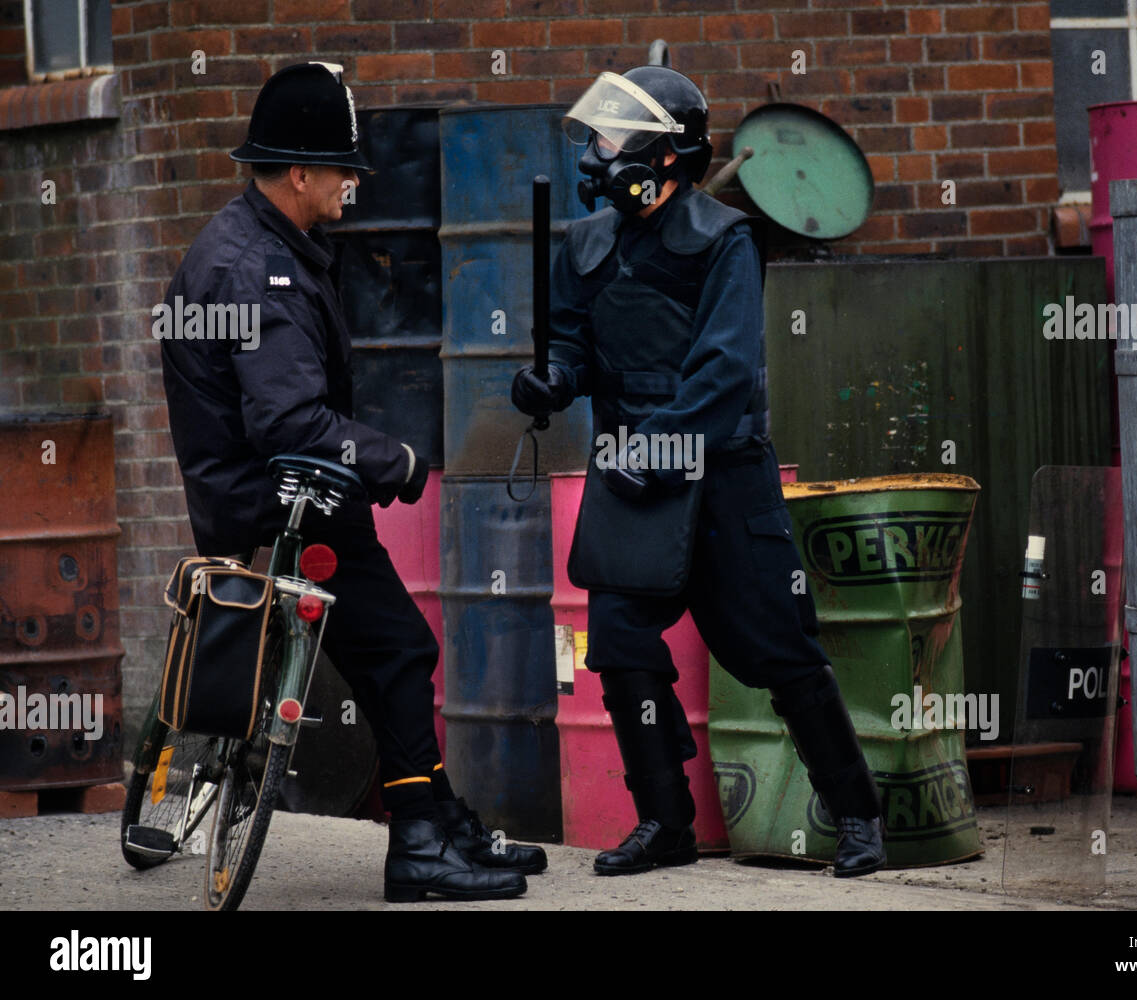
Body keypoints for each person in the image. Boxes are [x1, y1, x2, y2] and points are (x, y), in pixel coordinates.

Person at [159, 62, 543, 902]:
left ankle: (437, 818)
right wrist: (392, 461)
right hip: (286, 503)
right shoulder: (266, 274)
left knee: (388, 654)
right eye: (342, 168)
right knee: (402, 652)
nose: (354, 183)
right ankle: (418, 847)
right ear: (299, 173)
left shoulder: (245, 241)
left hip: (271, 496)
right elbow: (289, 422)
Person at [511, 66, 887, 877]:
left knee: (779, 651)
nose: (595, 150)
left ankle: (859, 818)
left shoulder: (725, 239)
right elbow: (573, 347)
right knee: (617, 644)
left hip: (720, 478)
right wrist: (552, 379)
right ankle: (665, 824)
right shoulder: (584, 245)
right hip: (631, 479)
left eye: (610, 137)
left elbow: (722, 372)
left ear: (664, 154)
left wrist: (658, 446)